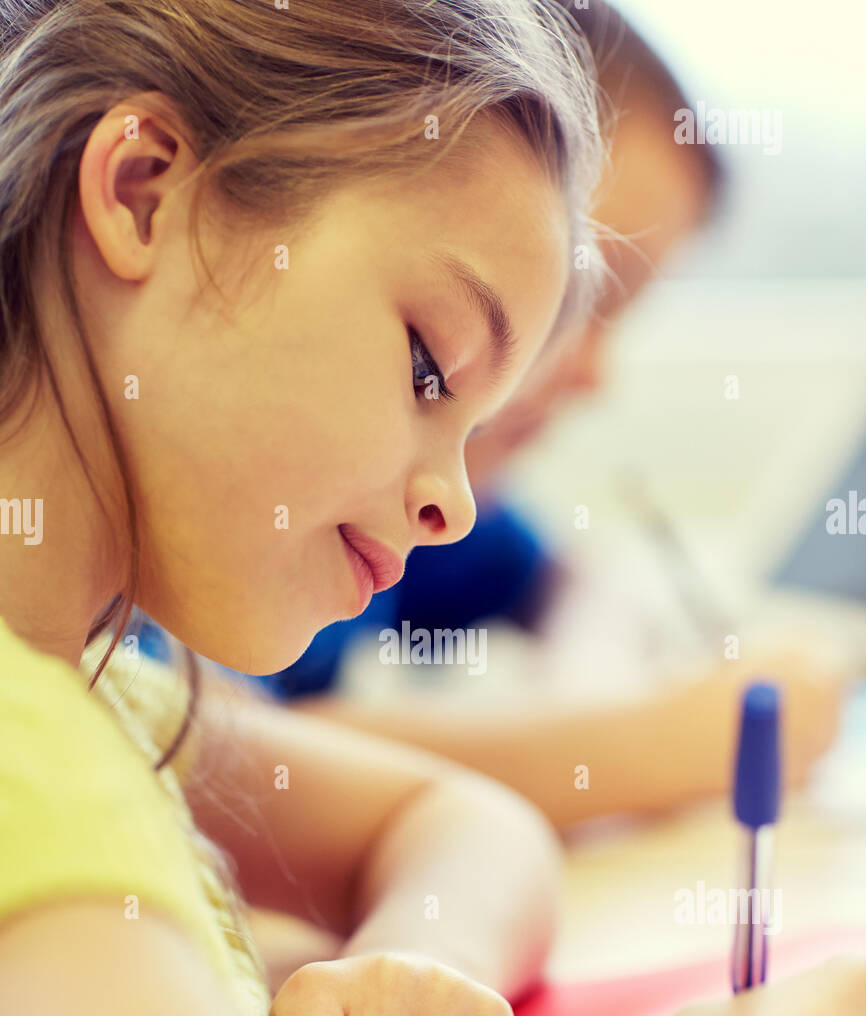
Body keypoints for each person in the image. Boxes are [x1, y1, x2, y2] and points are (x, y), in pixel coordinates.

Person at [2, 0, 866, 1016]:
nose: (454, 504)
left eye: (475, 424)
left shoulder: (112, 695)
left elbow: (457, 813)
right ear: (141, 190)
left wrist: (418, 956)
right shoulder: (24, 742)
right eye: (425, 366)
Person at [245, 1, 842, 830]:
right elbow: (223, 768)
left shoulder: (421, 501)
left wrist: (592, 681)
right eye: (581, 299)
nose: (593, 371)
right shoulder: (240, 492)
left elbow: (554, 574)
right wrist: (668, 742)